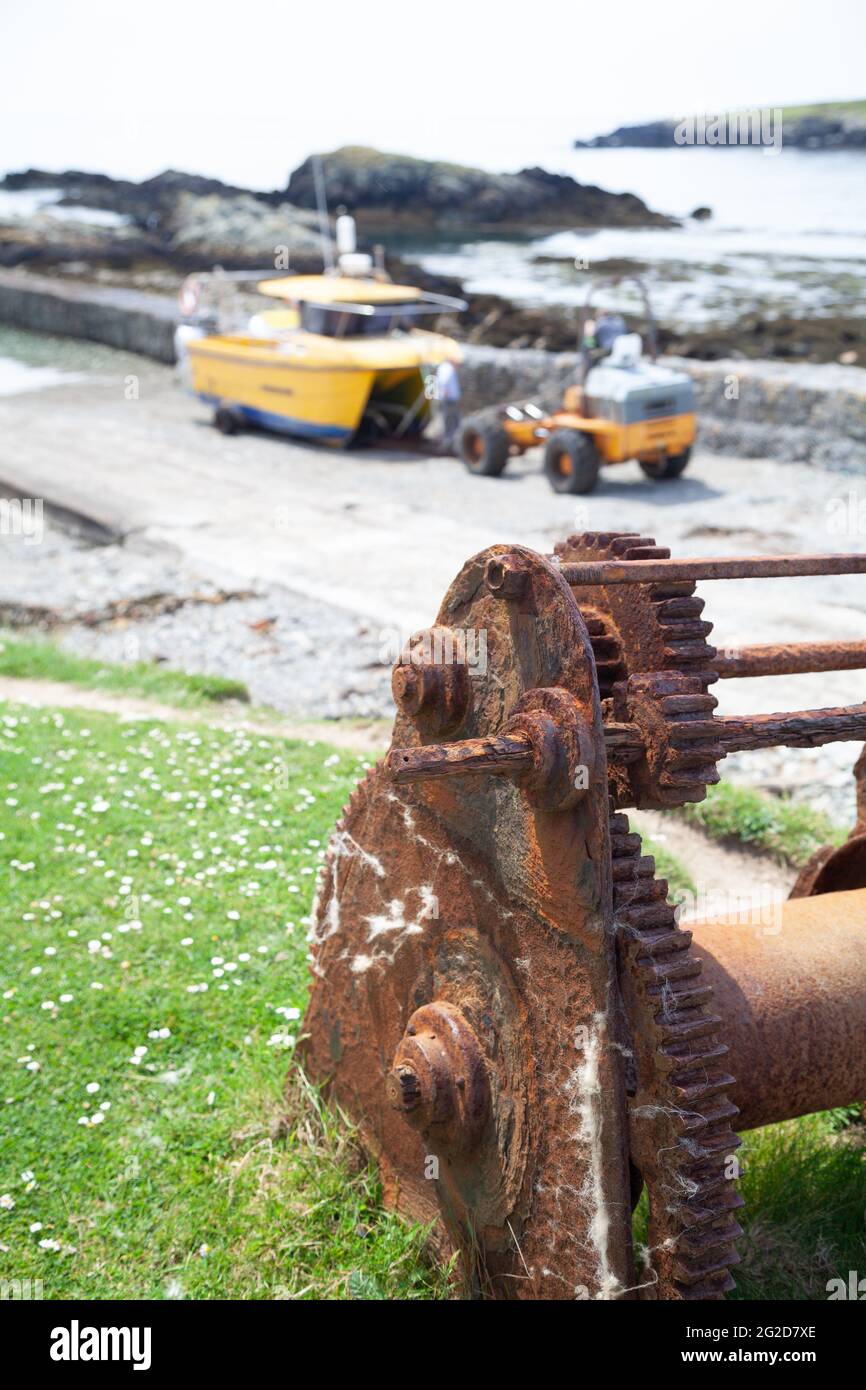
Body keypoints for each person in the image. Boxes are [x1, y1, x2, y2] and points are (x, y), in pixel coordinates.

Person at [435, 357, 461, 451]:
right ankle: (448, 444)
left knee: (450, 421)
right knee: (450, 422)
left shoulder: (446, 368)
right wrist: (446, 393)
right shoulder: (447, 368)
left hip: (449, 399)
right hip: (449, 400)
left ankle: (449, 443)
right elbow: (444, 382)